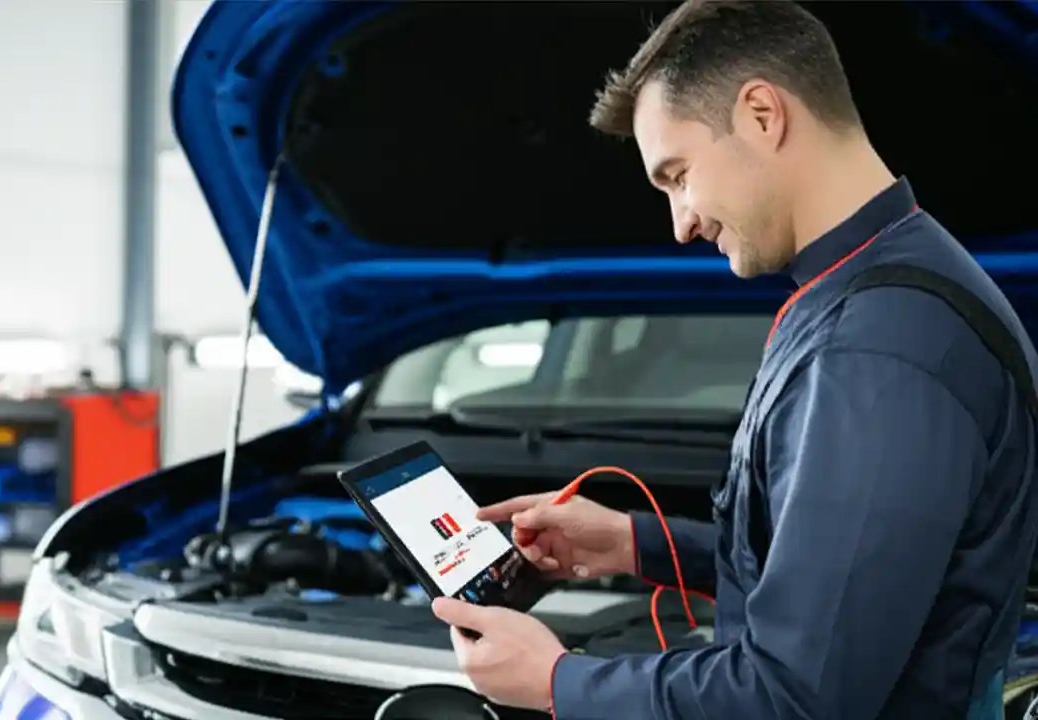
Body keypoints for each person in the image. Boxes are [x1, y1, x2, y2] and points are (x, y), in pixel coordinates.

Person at [429, 0, 1038, 717]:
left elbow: (793, 697)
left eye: (678, 175)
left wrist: (558, 680)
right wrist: (635, 542)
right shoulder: (879, 283)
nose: (681, 224)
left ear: (760, 114)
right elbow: (834, 571)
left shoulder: (879, 346)